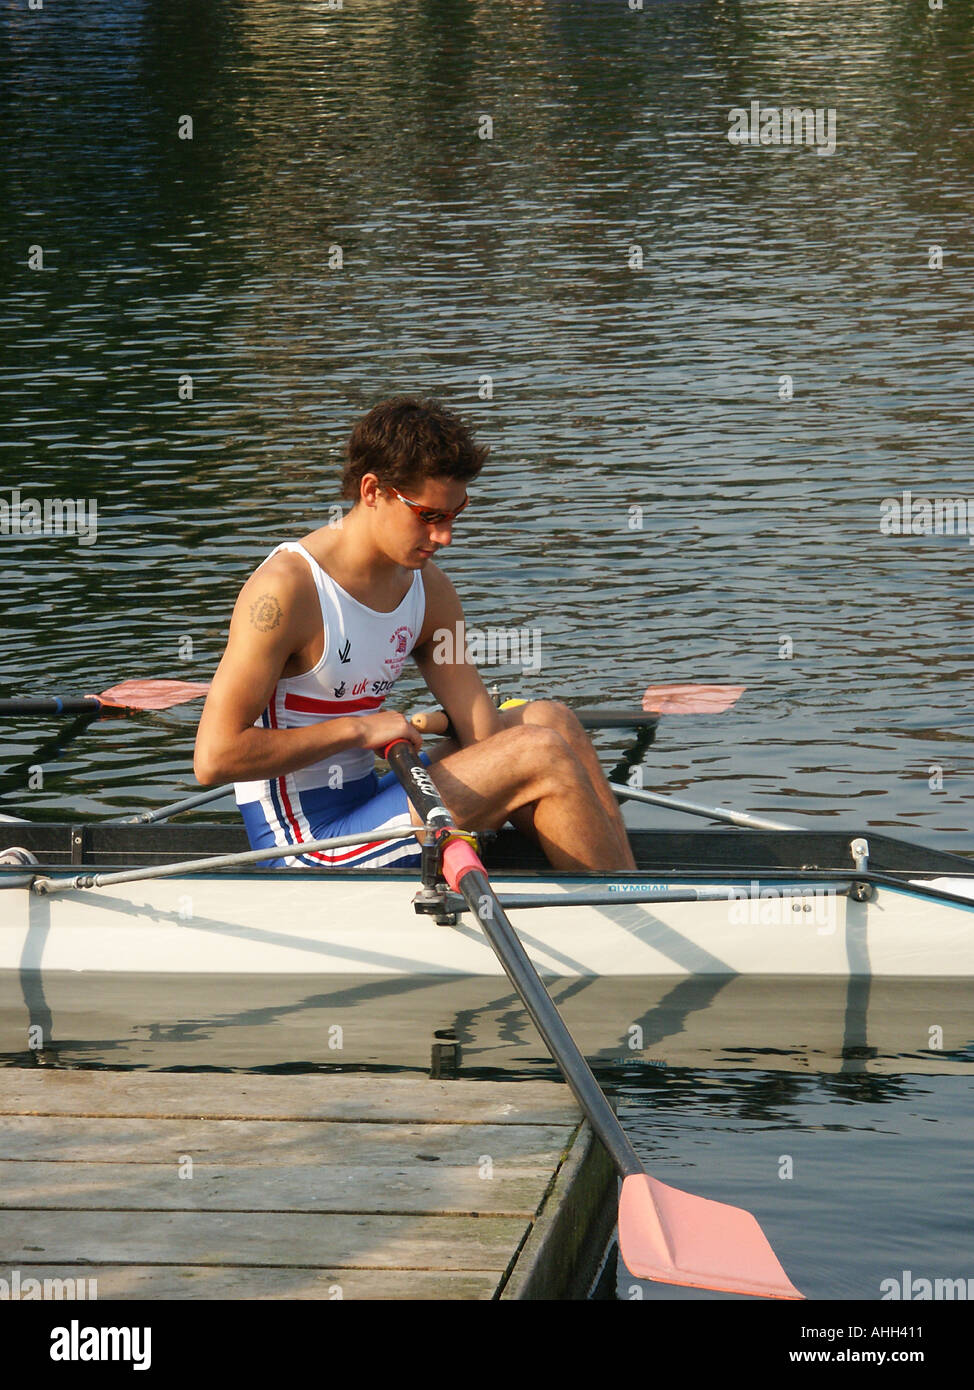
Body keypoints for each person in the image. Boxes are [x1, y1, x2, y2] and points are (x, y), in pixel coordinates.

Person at [193, 397, 635, 872]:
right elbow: (214, 758)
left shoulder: (430, 591)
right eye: (429, 515)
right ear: (372, 491)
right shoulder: (286, 592)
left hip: (371, 805)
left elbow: (482, 735)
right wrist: (360, 728)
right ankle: (624, 908)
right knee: (539, 753)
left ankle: (625, 884)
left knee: (550, 722)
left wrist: (505, 773)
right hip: (305, 844)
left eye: (455, 514)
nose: (445, 536)